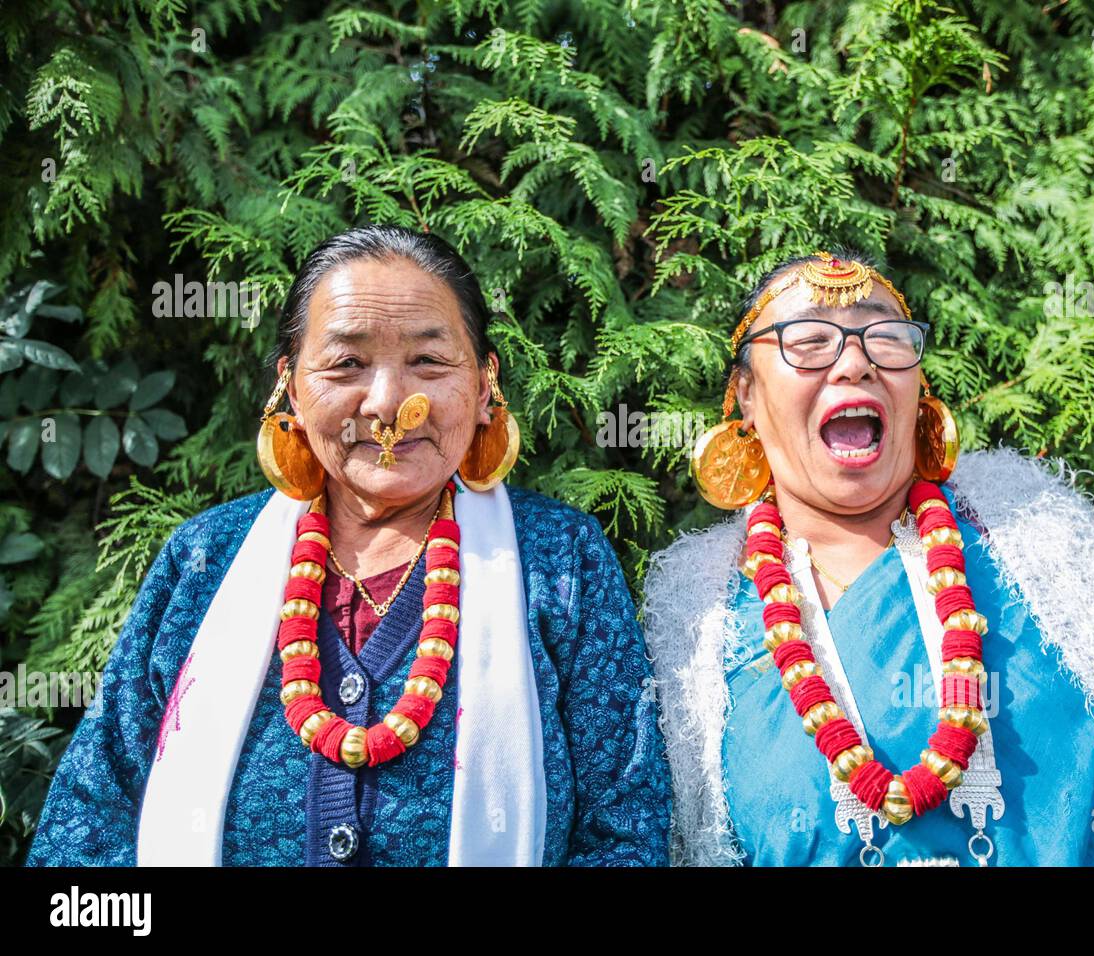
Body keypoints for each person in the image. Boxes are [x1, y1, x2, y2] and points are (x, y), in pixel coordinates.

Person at [27, 225, 671, 866]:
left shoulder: (562, 563)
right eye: (346, 363)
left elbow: (627, 831)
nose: (389, 403)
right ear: (291, 390)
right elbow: (90, 824)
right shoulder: (205, 561)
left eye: (428, 361)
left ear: (482, 388)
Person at [642, 249, 1094, 867]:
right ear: (746, 396)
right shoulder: (700, 621)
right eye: (808, 341)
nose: (854, 364)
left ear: (918, 386)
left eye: (885, 338)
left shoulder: (1053, 549)